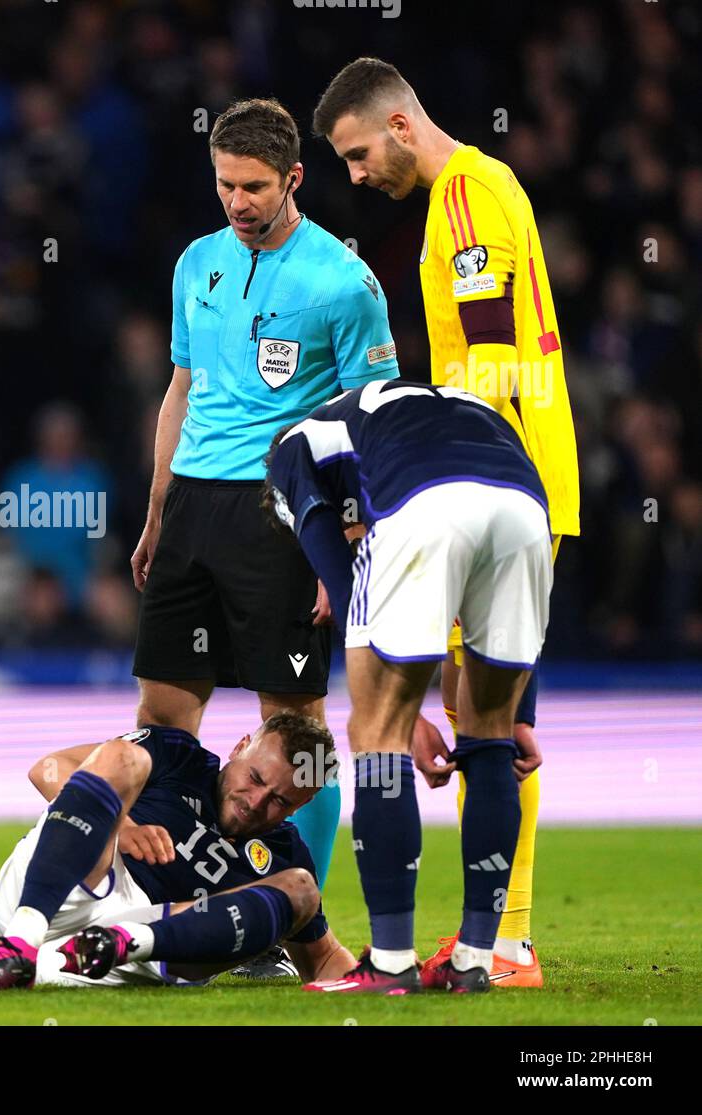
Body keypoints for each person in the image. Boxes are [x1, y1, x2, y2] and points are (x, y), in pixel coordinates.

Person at [312, 58, 580, 986]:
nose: (354, 177)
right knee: (491, 717)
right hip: (522, 479)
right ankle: (502, 938)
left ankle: (507, 939)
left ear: (397, 123)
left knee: (493, 721)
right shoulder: (485, 188)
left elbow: (496, 346)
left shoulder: (463, 192)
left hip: (497, 475)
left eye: (355, 155)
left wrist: (467, 458)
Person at [130, 98, 400, 900]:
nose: (238, 203)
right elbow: (180, 390)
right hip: (193, 512)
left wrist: (343, 547)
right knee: (162, 716)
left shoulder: (344, 284)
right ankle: (170, 897)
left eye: (253, 186)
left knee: (300, 734)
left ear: (294, 178)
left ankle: (295, 915)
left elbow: (369, 424)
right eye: (224, 186)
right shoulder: (194, 263)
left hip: (284, 514)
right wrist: (156, 511)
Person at [267, 378, 553, 993]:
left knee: (374, 736)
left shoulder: (289, 448)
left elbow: (331, 555)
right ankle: (476, 960)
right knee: (491, 738)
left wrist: (394, 705)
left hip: (426, 503)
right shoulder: (457, 405)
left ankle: (391, 963)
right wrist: (521, 711)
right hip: (528, 507)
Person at [0, 711, 357, 990]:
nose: (256, 801)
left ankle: (100, 947)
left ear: (301, 806)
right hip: (69, 887)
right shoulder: (180, 756)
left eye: (280, 801)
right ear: (240, 746)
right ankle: (20, 943)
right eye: (254, 778)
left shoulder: (286, 853)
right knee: (120, 757)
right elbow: (49, 768)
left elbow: (322, 962)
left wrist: (393, 974)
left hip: (129, 954)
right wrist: (121, 825)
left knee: (302, 889)